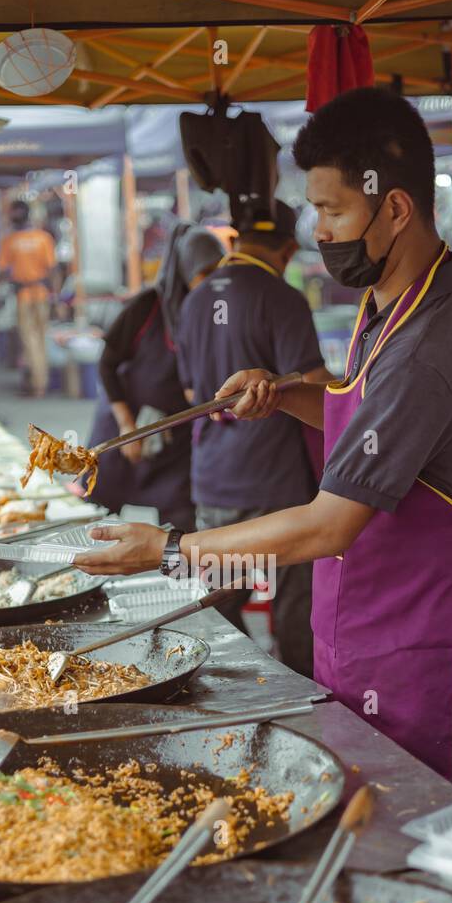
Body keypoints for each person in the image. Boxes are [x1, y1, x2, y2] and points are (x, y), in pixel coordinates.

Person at [71, 88, 452, 794]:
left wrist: (171, 551)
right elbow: (360, 412)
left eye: (333, 211)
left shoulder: (423, 349)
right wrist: (286, 393)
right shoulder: (390, 305)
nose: (317, 231)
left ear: (394, 208)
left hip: (429, 642)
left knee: (426, 828)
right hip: (374, 621)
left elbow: (330, 526)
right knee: (365, 818)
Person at [174, 200, 328, 678]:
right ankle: (306, 709)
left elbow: (188, 390)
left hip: (214, 480)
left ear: (235, 240)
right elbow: (319, 386)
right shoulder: (282, 297)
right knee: (295, 615)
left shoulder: (195, 299)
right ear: (285, 250)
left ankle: (239, 707)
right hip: (276, 487)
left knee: (220, 608)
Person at [90, 222, 224, 534]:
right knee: (98, 518)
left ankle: (184, 582)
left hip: (174, 438)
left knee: (182, 524)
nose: (212, 282)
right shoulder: (147, 306)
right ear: (185, 271)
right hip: (125, 429)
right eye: (205, 273)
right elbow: (107, 363)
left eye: (219, 271)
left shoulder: (214, 311)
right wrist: (127, 426)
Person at [0, 200, 58, 397]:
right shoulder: (43, 238)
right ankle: (40, 382)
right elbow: (53, 270)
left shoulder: (10, 240)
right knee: (41, 339)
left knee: (29, 341)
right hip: (42, 294)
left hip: (24, 296)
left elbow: (2, 272)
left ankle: (38, 385)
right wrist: (56, 297)